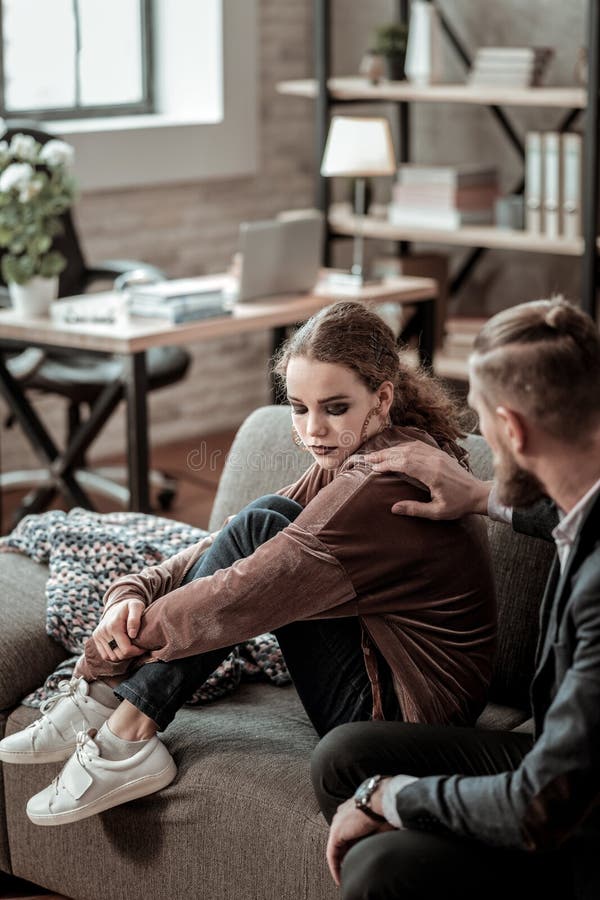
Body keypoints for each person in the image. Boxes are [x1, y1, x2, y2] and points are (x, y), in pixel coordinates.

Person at [0, 301, 495, 828]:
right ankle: (109, 712)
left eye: (335, 408)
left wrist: (106, 655)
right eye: (299, 408)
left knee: (262, 537)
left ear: (383, 399)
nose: (313, 430)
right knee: (267, 517)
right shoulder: (360, 453)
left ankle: (124, 730)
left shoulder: (381, 484)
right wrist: (134, 591)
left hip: (399, 728)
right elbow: (231, 538)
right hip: (379, 673)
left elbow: (249, 583)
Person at [312, 296, 600, 900]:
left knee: (384, 866)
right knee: (344, 757)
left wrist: (394, 797)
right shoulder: (583, 499)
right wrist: (477, 495)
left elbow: (544, 801)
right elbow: (560, 513)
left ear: (513, 430)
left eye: (482, 420)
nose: (479, 437)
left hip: (576, 808)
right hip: (559, 761)